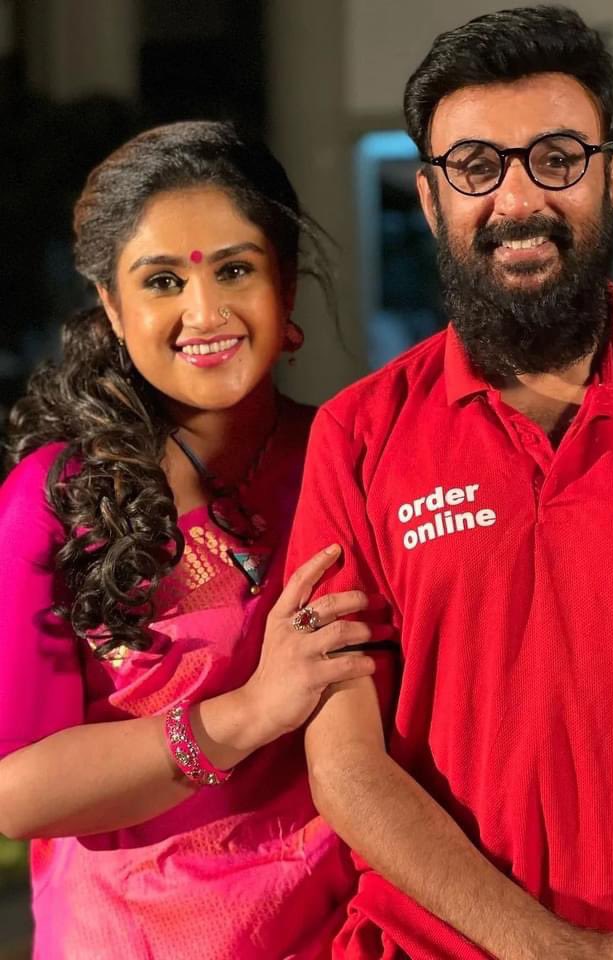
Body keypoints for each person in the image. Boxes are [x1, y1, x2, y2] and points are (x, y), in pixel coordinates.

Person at [287, 7, 613, 960]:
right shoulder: (359, 436)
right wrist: (553, 952)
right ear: (432, 198)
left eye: (556, 158)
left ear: (612, 176)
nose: (516, 199)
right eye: (475, 166)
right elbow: (344, 763)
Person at [0, 120, 389, 959]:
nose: (205, 313)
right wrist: (246, 714)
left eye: (236, 270)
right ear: (112, 306)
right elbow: (13, 789)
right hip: (129, 937)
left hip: (349, 934)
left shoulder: (360, 463)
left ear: (286, 284)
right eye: (163, 281)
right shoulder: (57, 500)